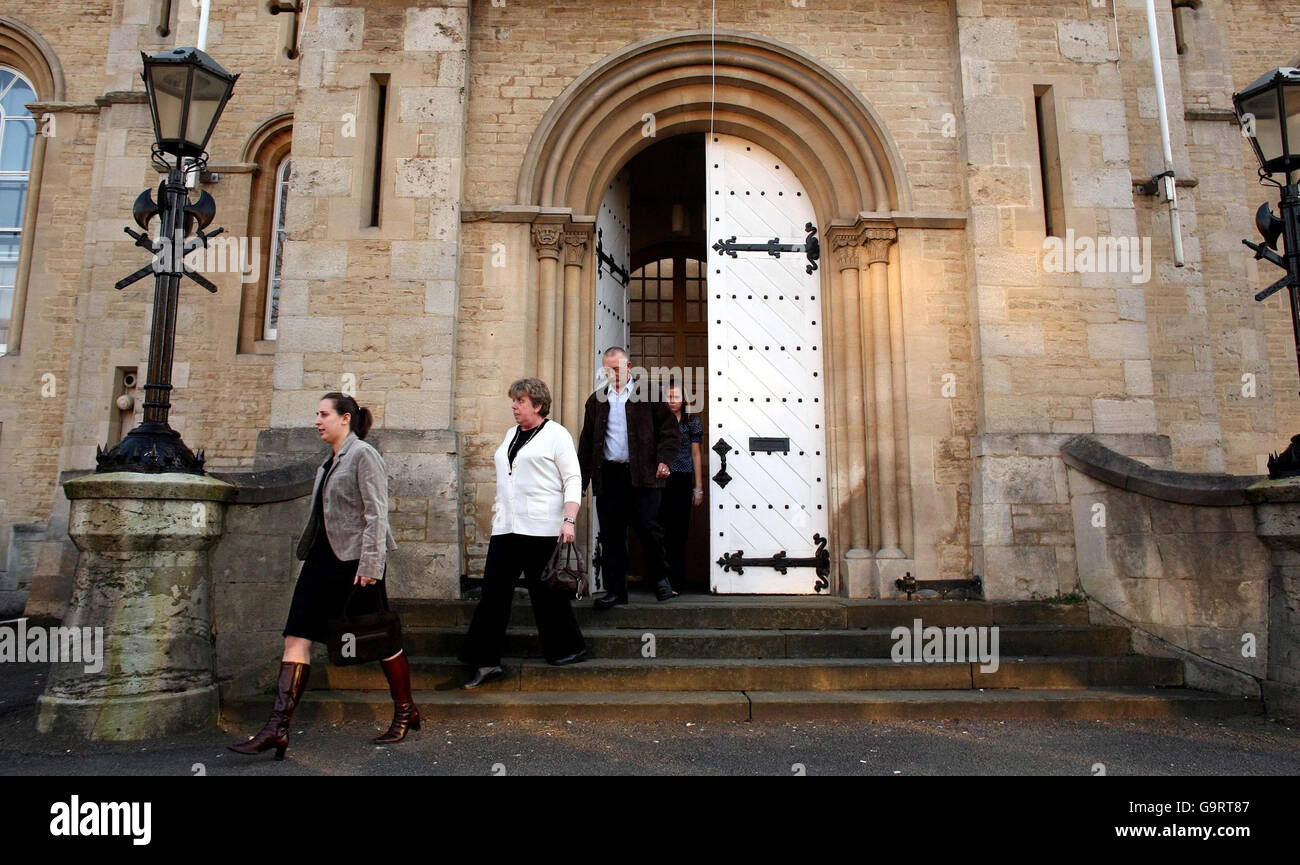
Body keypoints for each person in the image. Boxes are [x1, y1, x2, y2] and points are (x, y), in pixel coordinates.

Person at [229, 392, 413, 760]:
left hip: (354, 565)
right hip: (320, 562)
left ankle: (406, 712)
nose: (317, 420)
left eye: (324, 414)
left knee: (380, 640)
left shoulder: (363, 455)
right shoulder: (327, 462)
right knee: (296, 637)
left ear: (345, 418)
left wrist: (371, 566)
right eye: (316, 414)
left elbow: (376, 514)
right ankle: (277, 728)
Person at [458, 378, 588, 689]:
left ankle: (567, 648)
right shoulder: (511, 434)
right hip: (507, 527)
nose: (514, 407)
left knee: (547, 595)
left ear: (538, 405)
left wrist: (569, 520)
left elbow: (573, 479)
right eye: (514, 401)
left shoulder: (557, 435)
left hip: (542, 527)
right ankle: (486, 662)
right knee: (493, 594)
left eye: (520, 401)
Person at [577, 346, 681, 609]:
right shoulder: (596, 400)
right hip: (609, 475)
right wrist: (581, 481)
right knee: (611, 535)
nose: (611, 374)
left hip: (644, 475)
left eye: (616, 368)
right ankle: (615, 591)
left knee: (648, 528)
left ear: (629, 367)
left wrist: (664, 460)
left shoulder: (649, 395)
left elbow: (670, 432)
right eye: (607, 369)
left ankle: (660, 578)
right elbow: (587, 443)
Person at [658, 382, 704, 587]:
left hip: (683, 479)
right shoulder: (658, 421)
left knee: (679, 531)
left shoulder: (692, 422)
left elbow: (696, 454)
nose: (672, 401)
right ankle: (660, 580)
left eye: (676, 397)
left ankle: (676, 581)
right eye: (668, 397)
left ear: (684, 399)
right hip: (660, 481)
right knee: (660, 529)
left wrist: (698, 487)